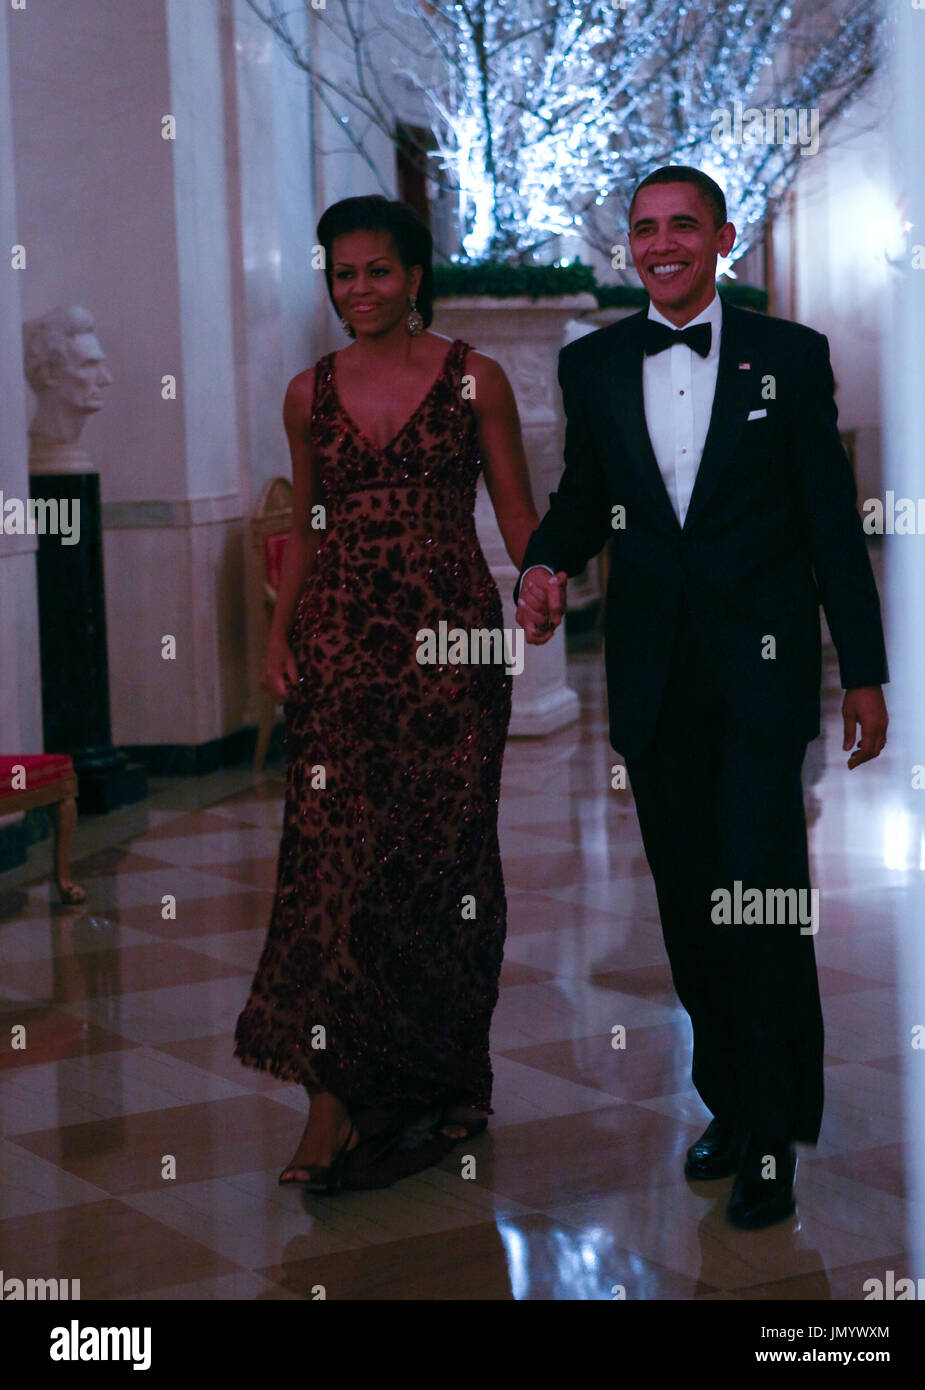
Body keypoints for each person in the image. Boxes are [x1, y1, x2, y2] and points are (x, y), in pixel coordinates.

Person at [514, 167, 889, 1230]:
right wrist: (545, 564)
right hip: (652, 682)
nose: (663, 243)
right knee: (687, 906)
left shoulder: (790, 355)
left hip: (763, 681)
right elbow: (582, 498)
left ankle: (774, 1133)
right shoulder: (590, 365)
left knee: (762, 898)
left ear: (721, 238)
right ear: (629, 248)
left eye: (683, 225)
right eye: (645, 229)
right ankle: (727, 1099)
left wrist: (862, 670)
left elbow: (828, 520)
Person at [234, 195, 541, 1192]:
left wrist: (544, 580)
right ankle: (329, 1099)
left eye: (376, 270)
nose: (358, 289)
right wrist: (282, 633)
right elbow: (310, 528)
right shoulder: (304, 393)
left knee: (438, 862)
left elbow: (516, 513)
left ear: (415, 276)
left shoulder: (473, 381)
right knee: (330, 868)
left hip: (451, 654)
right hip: (339, 649)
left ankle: (436, 1076)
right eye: (342, 273)